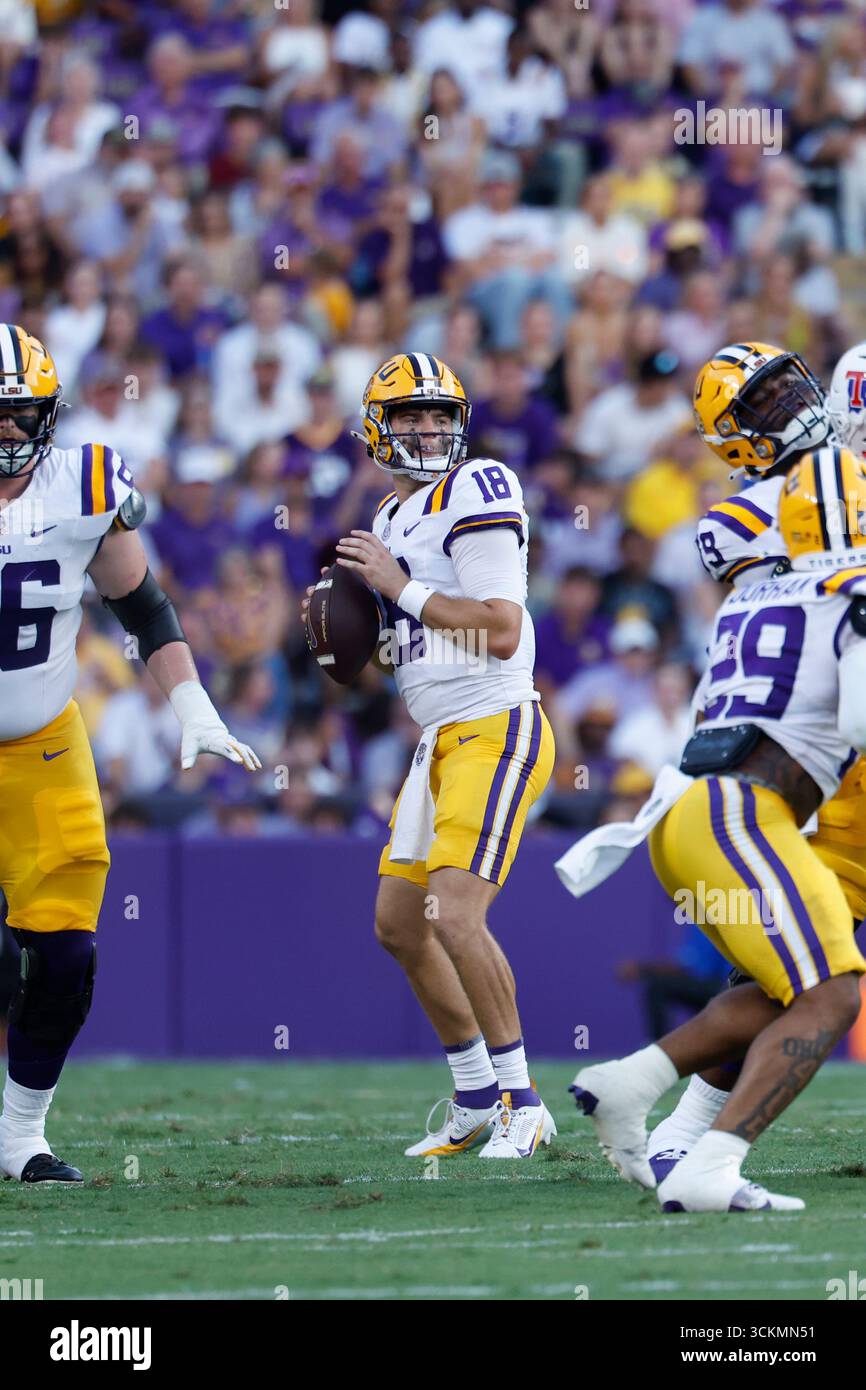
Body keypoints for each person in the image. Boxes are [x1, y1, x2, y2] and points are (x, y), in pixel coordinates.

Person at [570, 446, 866, 1212]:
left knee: (787, 988)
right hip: (741, 814)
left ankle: (627, 1084)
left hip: (687, 815)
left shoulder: (757, 598)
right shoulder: (854, 593)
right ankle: (710, 1166)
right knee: (834, 995)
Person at [0, 325, 260, 1183]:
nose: (7, 433)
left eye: (21, 414)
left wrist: (191, 705)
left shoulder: (82, 483)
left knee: (66, 956)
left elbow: (143, 608)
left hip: (43, 742)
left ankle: (20, 1138)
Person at [301, 352, 556, 1158]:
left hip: (496, 721)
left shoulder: (479, 487)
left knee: (453, 910)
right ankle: (477, 1093)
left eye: (441, 417)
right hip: (438, 736)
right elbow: (418, 643)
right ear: (377, 428)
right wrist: (361, 646)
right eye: (411, 417)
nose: (429, 430)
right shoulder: (388, 516)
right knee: (400, 924)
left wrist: (398, 590)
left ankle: (524, 1101)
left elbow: (499, 626)